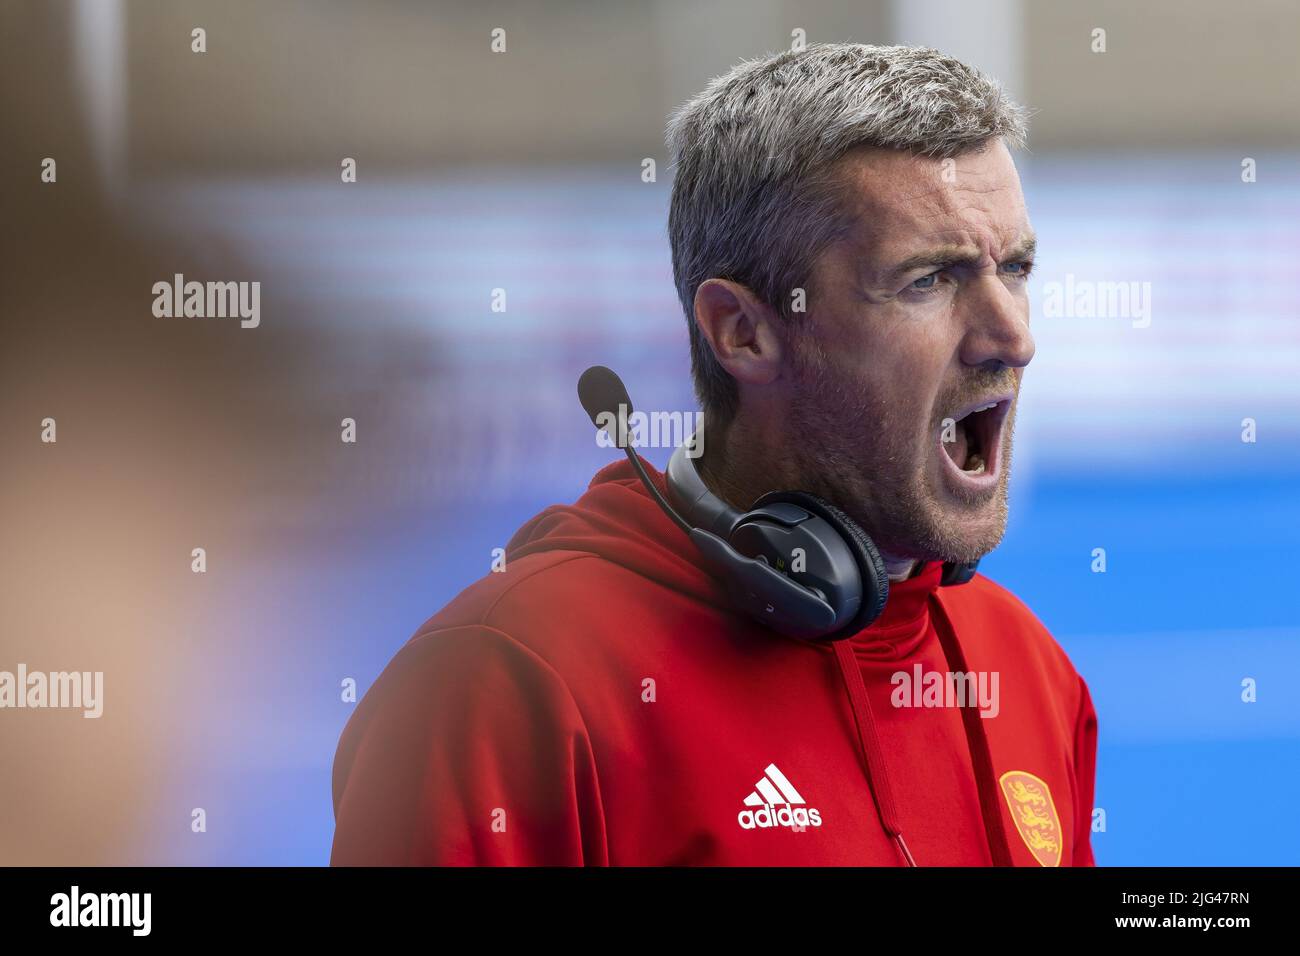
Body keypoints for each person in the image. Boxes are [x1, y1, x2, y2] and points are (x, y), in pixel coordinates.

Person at [330, 42, 1098, 866]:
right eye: (928, 281)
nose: (1013, 337)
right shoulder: (510, 686)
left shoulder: (1023, 667)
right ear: (743, 331)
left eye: (1014, 268)